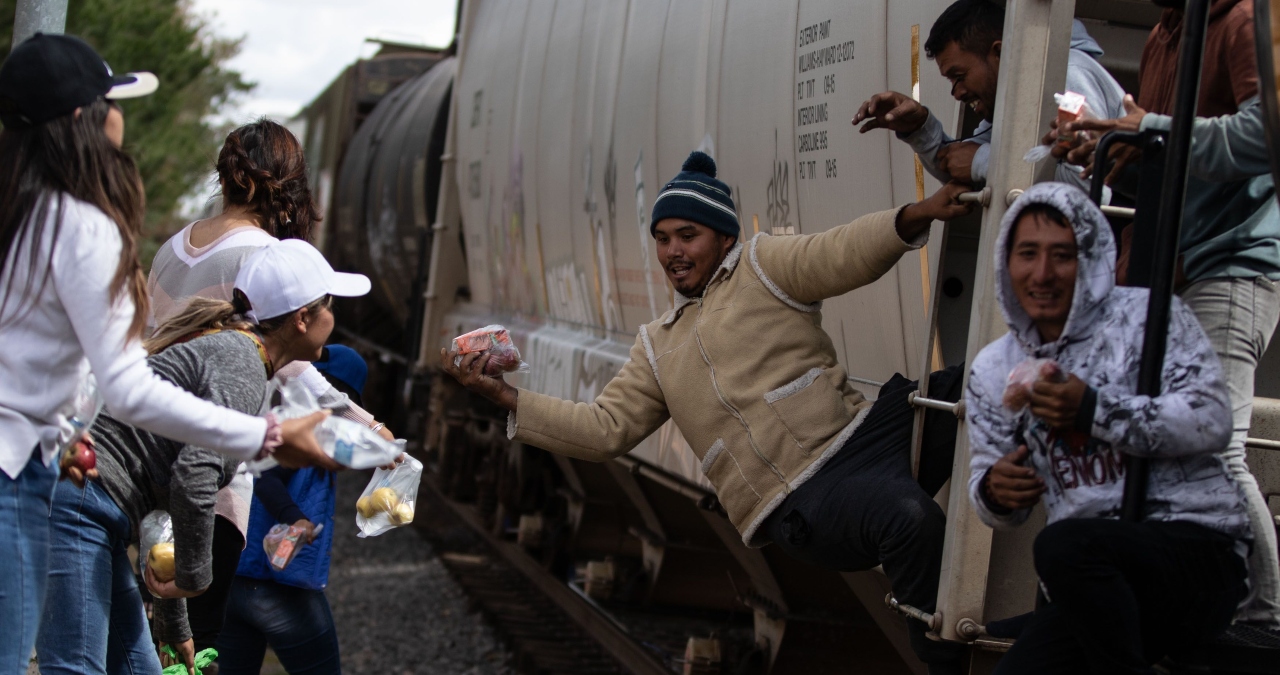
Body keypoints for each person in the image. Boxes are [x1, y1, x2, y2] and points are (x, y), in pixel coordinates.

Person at [444, 150, 973, 674]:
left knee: (979, 383)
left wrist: (918, 213)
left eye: (687, 235)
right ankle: (949, 665)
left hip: (865, 437)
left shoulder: (764, 268)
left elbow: (840, 252)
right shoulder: (657, 345)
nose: (672, 250)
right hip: (803, 495)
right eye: (662, 238)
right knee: (907, 519)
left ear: (724, 238)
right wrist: (506, 398)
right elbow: (603, 430)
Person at [0, 34, 331, 673]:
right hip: (24, 476)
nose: (121, 115)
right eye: (112, 99)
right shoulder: (81, 223)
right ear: (82, 119)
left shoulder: (20, 213)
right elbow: (127, 387)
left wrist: (65, 430)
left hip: (63, 472)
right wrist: (265, 433)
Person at [34, 239, 370, 675]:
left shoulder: (238, 353)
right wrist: (196, 581)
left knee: (141, 668)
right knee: (75, 667)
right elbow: (194, 475)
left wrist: (175, 623)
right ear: (303, 319)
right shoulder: (243, 363)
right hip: (80, 504)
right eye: (329, 306)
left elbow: (170, 504)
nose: (334, 317)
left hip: (97, 510)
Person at [1049, 0, 1280, 630]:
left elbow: (1264, 136)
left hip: (1229, 262)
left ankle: (1263, 617)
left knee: (1216, 448)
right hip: (1173, 267)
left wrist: (1147, 128)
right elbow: (1166, 156)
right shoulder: (1165, 34)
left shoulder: (1244, 20)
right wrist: (1106, 145)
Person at [965, 183, 1249, 674]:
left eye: (1063, 255)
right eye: (1027, 254)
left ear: (1092, 258)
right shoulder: (994, 369)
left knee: (1063, 545)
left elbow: (1212, 421)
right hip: (1092, 583)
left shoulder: (1149, 318)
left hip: (1196, 556)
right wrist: (994, 491)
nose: (1043, 274)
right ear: (1005, 264)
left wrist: (1093, 409)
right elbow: (994, 501)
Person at [145, 118, 395, 659]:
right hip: (210, 485)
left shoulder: (172, 248)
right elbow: (292, 369)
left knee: (156, 642)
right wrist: (368, 427)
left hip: (147, 475)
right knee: (200, 648)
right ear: (287, 185)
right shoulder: (262, 253)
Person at [852, 0, 1126, 196]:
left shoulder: (1066, 78)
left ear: (999, 53)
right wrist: (919, 127)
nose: (957, 92)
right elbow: (958, 164)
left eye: (959, 76)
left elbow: (1090, 187)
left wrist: (984, 161)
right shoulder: (1014, 96)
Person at [216, 345, 371, 675]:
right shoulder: (305, 434)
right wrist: (294, 517)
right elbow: (268, 478)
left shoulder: (270, 421)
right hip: (279, 588)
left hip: (234, 582)